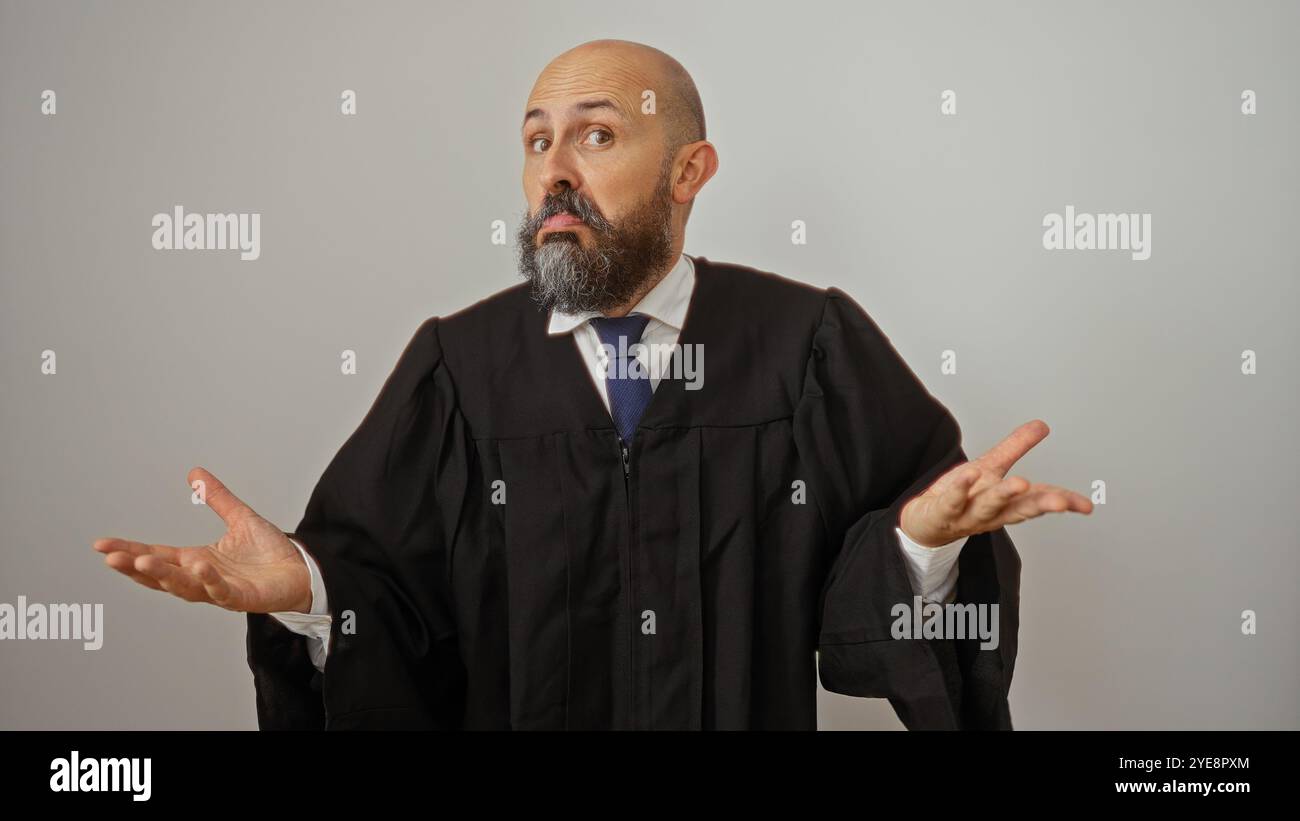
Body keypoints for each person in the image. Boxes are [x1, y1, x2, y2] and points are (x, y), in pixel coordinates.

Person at [93, 39, 1092, 730]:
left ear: (688, 169)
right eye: (536, 141)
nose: (553, 173)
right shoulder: (459, 366)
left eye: (596, 135)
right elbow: (391, 606)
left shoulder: (804, 344)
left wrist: (915, 543)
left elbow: (858, 609)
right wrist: (312, 594)